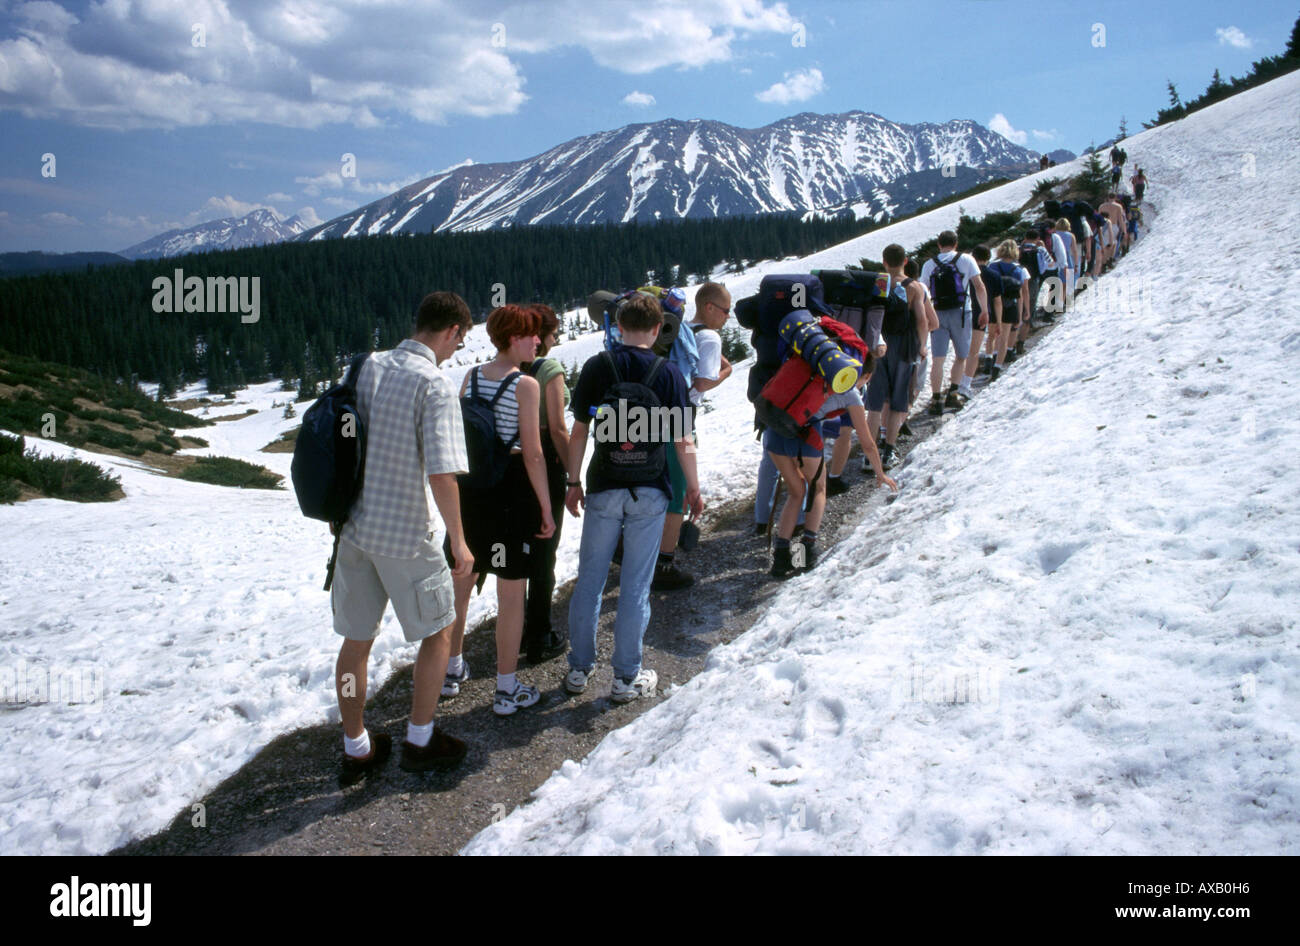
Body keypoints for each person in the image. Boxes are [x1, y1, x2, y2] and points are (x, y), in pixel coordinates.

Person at [331, 291, 475, 783]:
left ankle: (357, 748)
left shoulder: (365, 366)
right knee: (437, 634)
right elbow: (442, 473)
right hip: (408, 535)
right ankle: (420, 739)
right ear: (452, 331)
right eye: (461, 339)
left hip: (354, 529)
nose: (458, 350)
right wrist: (459, 539)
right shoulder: (434, 384)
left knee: (356, 642)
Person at [564, 293, 702, 703]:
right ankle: (626, 677)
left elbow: (579, 431)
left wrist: (573, 482)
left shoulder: (597, 366)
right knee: (635, 585)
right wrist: (692, 487)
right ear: (658, 329)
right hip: (650, 490)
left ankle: (578, 670)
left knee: (590, 579)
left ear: (618, 326)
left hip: (605, 484)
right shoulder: (670, 373)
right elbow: (683, 440)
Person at [443, 305, 556, 716]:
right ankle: (506, 690)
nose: (538, 342)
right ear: (512, 338)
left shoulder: (470, 378)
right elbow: (533, 454)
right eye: (531, 336)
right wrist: (546, 506)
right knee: (512, 592)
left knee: (461, 582)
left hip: (471, 491)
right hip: (511, 493)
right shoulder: (525, 385)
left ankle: (451, 670)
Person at [652, 282, 731, 590]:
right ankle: (664, 564)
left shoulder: (678, 329)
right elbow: (701, 384)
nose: (727, 317)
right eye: (725, 311)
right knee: (678, 491)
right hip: (680, 419)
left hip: (650, 418)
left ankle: (638, 550)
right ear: (709, 307)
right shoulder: (709, 336)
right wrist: (728, 372)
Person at [520, 304, 571, 666]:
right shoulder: (548, 369)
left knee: (519, 550)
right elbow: (558, 428)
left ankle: (517, 627)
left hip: (513, 466)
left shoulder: (507, 367)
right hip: (545, 464)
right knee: (544, 550)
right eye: (552, 332)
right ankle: (539, 633)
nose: (554, 338)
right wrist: (574, 474)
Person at [866, 243, 932, 469]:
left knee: (875, 403)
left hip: (878, 346)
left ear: (884, 262)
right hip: (903, 347)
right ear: (905, 261)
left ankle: (869, 456)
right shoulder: (914, 286)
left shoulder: (877, 283)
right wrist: (922, 346)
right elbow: (922, 321)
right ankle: (888, 453)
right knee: (897, 401)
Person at [920, 231, 988, 414]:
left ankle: (936, 399)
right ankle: (953, 393)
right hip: (961, 313)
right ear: (956, 243)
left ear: (938, 244)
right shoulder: (966, 260)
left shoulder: (929, 265)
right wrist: (984, 310)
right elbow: (979, 286)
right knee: (961, 356)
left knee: (938, 359)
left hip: (938, 313)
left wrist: (926, 317)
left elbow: (923, 294)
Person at [961, 245, 1002, 399]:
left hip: (964, 313)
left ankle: (956, 382)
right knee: (974, 352)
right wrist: (997, 321)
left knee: (962, 352)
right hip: (982, 314)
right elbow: (997, 301)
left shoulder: (965, 272)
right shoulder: (994, 275)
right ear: (988, 257)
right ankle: (965, 385)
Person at [987, 241, 1030, 381]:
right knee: (1004, 337)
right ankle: (997, 367)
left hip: (993, 305)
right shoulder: (1019, 270)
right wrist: (1021, 312)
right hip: (1010, 305)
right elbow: (1021, 294)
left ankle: (990, 359)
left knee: (992, 335)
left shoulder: (992, 266)